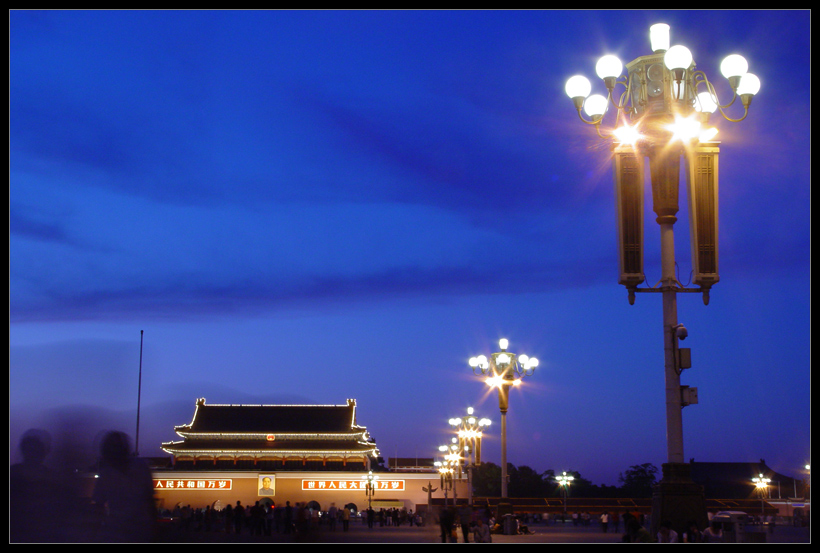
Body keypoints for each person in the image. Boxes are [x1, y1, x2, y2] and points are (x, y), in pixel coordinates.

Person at [91, 431, 156, 542]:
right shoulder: (140, 467)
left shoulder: (108, 472)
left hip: (128, 529)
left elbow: (98, 504)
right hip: (128, 530)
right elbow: (150, 500)